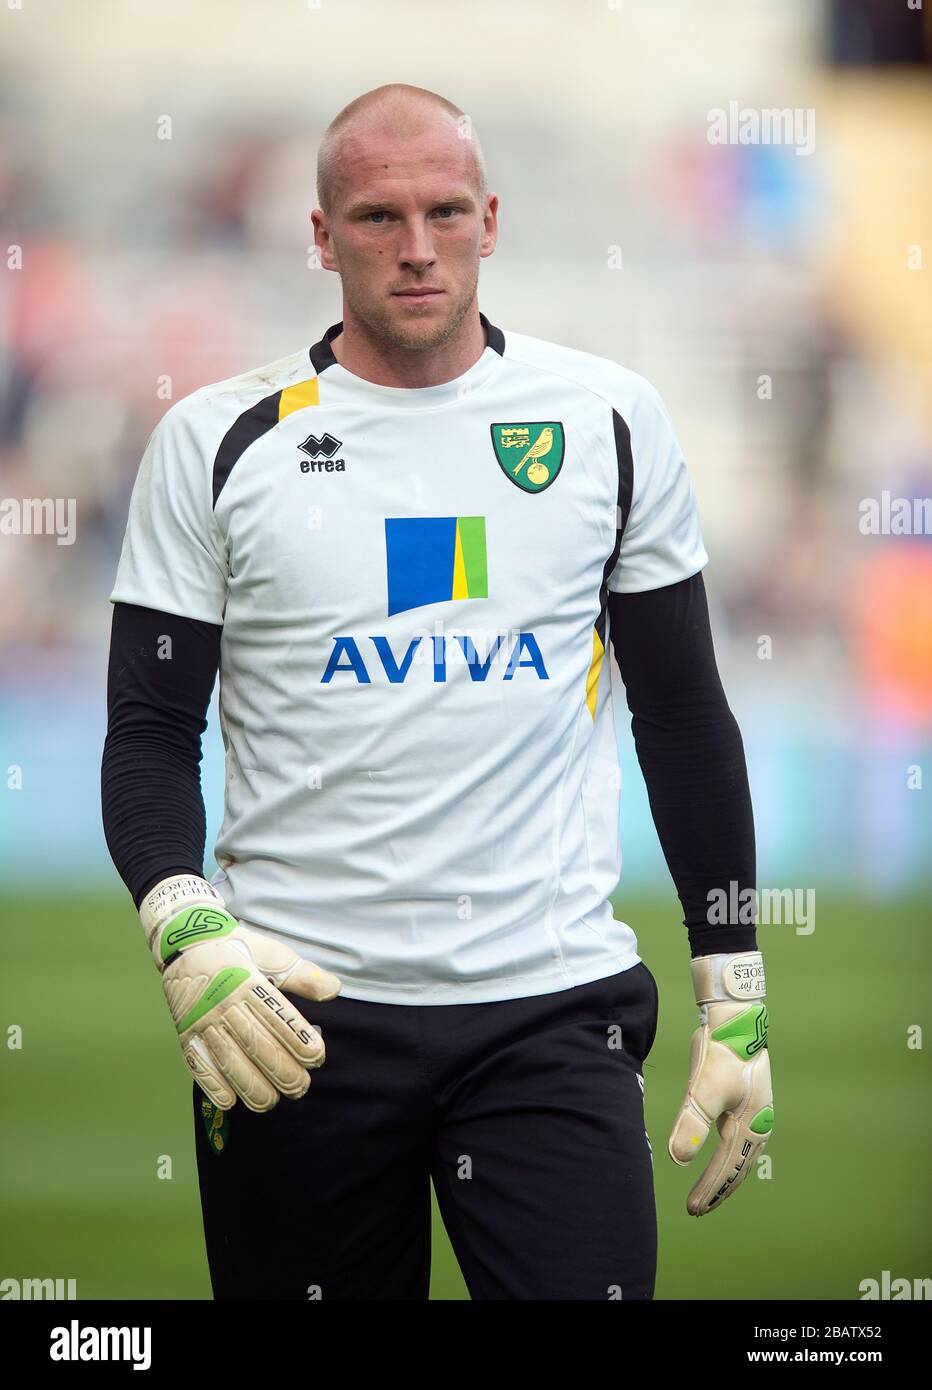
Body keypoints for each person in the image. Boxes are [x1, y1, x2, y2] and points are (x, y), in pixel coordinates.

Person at [101, 83, 772, 1301]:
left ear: (491, 219)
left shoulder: (608, 420)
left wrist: (733, 988)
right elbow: (150, 729)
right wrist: (178, 917)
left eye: (444, 211)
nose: (416, 248)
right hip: (296, 1020)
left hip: (549, 1012)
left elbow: (680, 715)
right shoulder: (216, 441)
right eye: (374, 218)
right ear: (318, 236)